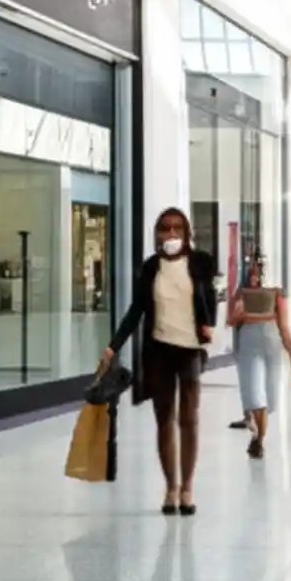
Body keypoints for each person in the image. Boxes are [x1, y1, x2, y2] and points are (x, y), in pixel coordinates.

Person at [101, 207, 217, 516]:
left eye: (177, 229)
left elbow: (207, 295)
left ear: (187, 233)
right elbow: (137, 308)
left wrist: (208, 323)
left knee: (189, 418)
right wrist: (114, 346)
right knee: (164, 419)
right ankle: (171, 487)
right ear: (157, 234)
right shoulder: (151, 267)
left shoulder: (200, 262)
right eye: (165, 229)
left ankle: (188, 486)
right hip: (158, 350)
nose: (171, 235)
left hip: (190, 349)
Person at [227, 258, 291, 459]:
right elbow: (231, 320)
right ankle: (258, 438)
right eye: (251, 272)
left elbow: (284, 327)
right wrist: (244, 315)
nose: (254, 277)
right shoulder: (242, 294)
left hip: (269, 341)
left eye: (257, 272)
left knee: (269, 394)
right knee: (255, 392)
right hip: (253, 341)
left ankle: (258, 435)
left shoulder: (276, 294)